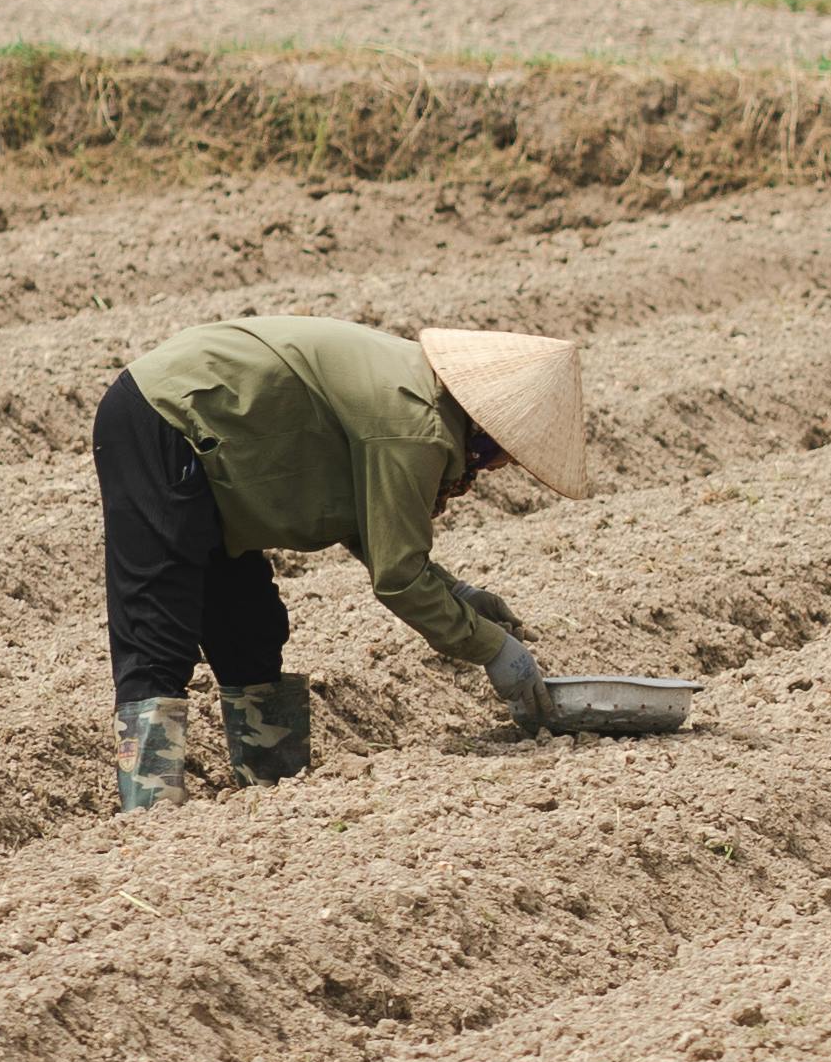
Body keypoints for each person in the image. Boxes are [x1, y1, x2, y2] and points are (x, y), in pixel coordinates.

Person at [90, 316, 587, 816]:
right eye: (512, 456)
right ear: (493, 431)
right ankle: (151, 814)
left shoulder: (421, 397)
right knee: (158, 623)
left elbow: (370, 518)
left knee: (248, 625)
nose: (505, 467)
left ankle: (273, 797)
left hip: (222, 440)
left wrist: (456, 593)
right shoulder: (417, 426)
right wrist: (493, 649)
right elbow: (399, 579)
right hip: (168, 415)